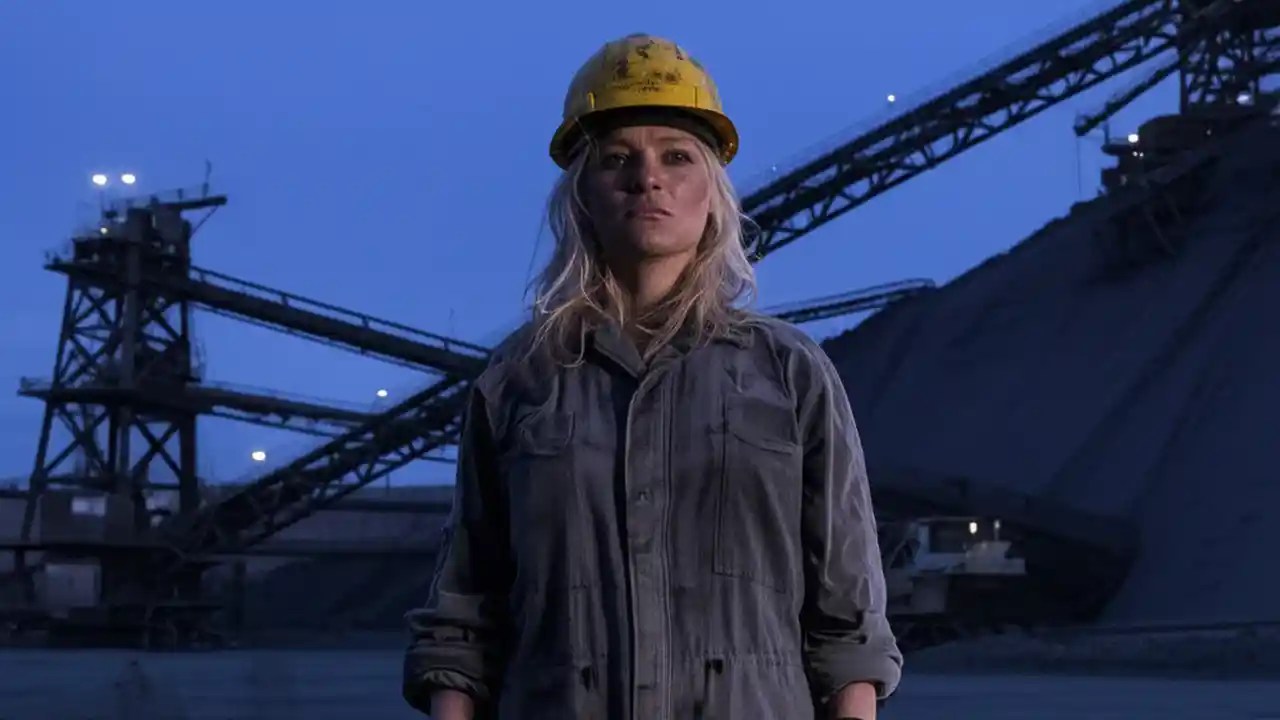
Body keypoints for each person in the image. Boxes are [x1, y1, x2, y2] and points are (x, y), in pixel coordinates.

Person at [402, 33, 903, 719]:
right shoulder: (519, 380)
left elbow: (849, 621)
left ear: (713, 194)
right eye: (617, 159)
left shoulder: (790, 373)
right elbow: (463, 620)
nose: (648, 179)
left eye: (677, 156)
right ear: (581, 196)